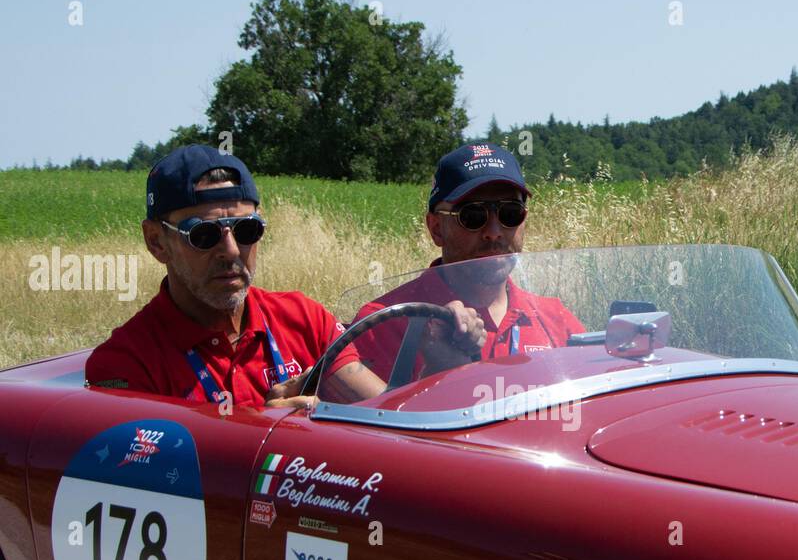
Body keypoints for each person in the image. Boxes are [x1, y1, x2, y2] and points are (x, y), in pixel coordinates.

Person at [85, 145, 354, 410]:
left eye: (247, 229)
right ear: (156, 242)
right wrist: (272, 432)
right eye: (203, 234)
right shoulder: (125, 362)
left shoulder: (306, 320)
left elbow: (385, 414)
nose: (231, 250)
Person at [322, 143, 585, 398]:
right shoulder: (383, 320)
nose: (494, 232)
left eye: (510, 213)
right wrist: (435, 371)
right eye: (472, 216)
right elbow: (373, 435)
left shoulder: (556, 319)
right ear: (436, 228)